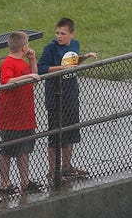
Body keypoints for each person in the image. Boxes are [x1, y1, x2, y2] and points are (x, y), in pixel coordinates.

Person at [37, 17, 97, 181]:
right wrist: (62, 68)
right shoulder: (50, 48)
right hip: (55, 98)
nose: (59, 36)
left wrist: (85, 57)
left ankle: (67, 167)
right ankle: (53, 171)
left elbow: (73, 62)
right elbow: (42, 68)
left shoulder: (75, 44)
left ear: (71, 34)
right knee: (55, 136)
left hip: (71, 95)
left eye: (62, 33)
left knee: (70, 134)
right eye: (57, 32)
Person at [0, 31, 42, 195]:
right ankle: (4, 182)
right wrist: (28, 75)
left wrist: (32, 60)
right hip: (11, 117)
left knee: (25, 149)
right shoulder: (8, 63)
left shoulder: (23, 62)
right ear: (23, 47)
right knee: (7, 150)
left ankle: (25, 180)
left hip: (25, 115)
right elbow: (6, 81)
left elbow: (35, 77)